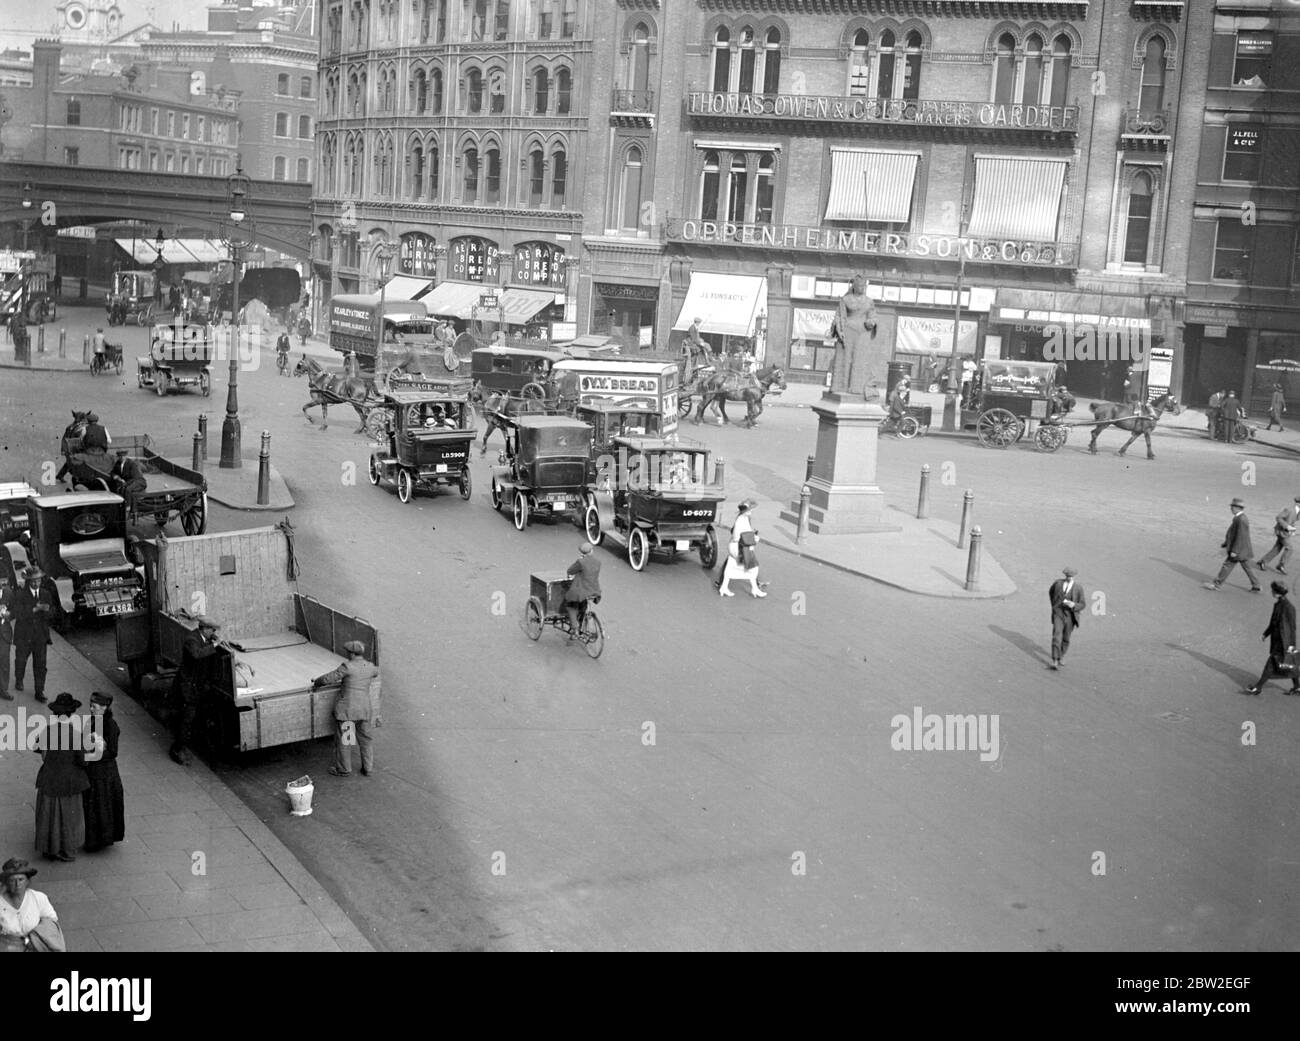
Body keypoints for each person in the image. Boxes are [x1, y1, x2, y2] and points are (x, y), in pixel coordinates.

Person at [33, 693, 90, 862]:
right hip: (69, 781)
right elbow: (83, 761)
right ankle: (66, 850)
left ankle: (49, 847)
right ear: (72, 713)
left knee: (48, 815)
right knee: (69, 818)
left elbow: (36, 747)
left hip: (49, 778)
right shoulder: (76, 734)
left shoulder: (47, 730)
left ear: (55, 714)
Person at [313, 640, 380, 777]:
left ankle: (344, 769)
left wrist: (316, 682)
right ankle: (367, 768)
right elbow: (375, 673)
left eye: (348, 653)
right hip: (365, 710)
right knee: (365, 740)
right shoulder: (370, 667)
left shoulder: (347, 667)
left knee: (346, 741)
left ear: (352, 654)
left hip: (348, 712)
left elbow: (328, 679)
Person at [169, 616, 223, 766]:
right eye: (212, 630)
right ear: (204, 628)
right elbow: (196, 654)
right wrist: (215, 645)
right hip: (188, 687)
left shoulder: (204, 639)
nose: (213, 633)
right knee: (187, 718)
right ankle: (178, 749)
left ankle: (186, 744)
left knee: (195, 716)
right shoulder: (192, 639)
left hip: (198, 685)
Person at [82, 692, 125, 852]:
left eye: (94, 706)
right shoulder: (93, 720)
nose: (91, 709)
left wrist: (91, 755)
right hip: (94, 770)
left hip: (104, 773)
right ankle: (95, 839)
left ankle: (98, 841)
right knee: (96, 805)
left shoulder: (110, 725)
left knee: (100, 806)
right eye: (91, 706)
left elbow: (113, 752)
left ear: (104, 707)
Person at [10, 566, 59, 704]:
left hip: (40, 636)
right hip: (24, 635)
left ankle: (39, 691)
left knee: (40, 664)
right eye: (33, 581)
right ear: (28, 581)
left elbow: (53, 613)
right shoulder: (20, 594)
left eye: (38, 580)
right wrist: (34, 609)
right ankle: (19, 679)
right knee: (21, 660)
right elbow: (16, 613)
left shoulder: (46, 594)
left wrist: (47, 611)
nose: (36, 583)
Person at [1246, 581, 1300, 695]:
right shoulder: (1279, 605)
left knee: (1271, 664)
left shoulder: (1289, 608)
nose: (1271, 592)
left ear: (1278, 593)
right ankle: (1297, 686)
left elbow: (1291, 628)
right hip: (1281, 641)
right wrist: (1265, 634)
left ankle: (1258, 687)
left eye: (1273, 591)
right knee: (1291, 664)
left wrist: (1289, 645)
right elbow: (1273, 623)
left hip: (1284, 642)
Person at [0, 858, 62, 952]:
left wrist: (33, 939)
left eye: (21, 879)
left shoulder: (38, 898)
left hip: (36, 947)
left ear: (27, 881)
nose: (17, 884)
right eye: (12, 880)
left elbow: (52, 921)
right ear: (6, 883)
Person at [832, 275, 877, 395]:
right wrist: (839, 329)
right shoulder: (845, 300)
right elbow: (839, 316)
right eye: (859, 286)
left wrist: (871, 322)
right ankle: (841, 386)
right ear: (854, 287)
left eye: (864, 286)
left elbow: (872, 316)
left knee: (859, 360)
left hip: (862, 334)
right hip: (847, 331)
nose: (862, 288)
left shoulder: (869, 301)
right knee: (845, 360)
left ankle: (856, 388)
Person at [1208, 498, 1262, 593]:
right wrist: (1226, 543)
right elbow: (1234, 533)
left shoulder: (1240, 519)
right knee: (1247, 567)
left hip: (1238, 551)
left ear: (1237, 508)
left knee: (1227, 566)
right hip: (1244, 550)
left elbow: (1240, 536)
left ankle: (1216, 584)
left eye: (1232, 507)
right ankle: (1256, 585)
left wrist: (1234, 551)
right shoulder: (1240, 518)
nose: (1231, 509)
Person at [717, 499, 767, 598]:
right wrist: (753, 538)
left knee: (730, 566)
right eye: (750, 510)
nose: (751, 511)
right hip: (739, 547)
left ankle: (723, 587)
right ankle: (755, 589)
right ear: (745, 511)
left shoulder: (744, 518)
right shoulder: (740, 520)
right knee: (753, 567)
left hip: (738, 546)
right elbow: (736, 537)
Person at [1048, 566, 1085, 669]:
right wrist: (1054, 606)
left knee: (1066, 638)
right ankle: (1055, 659)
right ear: (1065, 575)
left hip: (1070, 616)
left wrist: (1073, 605)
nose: (1069, 578)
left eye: (1071, 577)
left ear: (1074, 577)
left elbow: (1082, 604)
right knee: (1056, 636)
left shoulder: (1078, 588)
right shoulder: (1058, 584)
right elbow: (1051, 593)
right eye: (1068, 576)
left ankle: (1061, 655)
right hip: (1058, 613)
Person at [564, 541, 602, 636]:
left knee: (571, 606)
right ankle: (581, 621)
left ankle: (575, 628)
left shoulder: (581, 562)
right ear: (591, 551)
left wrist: (580, 561)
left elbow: (570, 571)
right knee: (583, 605)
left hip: (582, 590)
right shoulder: (598, 562)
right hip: (594, 590)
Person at [1259, 496, 1300, 575]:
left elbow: (1291, 521)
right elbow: (1278, 517)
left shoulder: (1298, 511)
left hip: (1285, 532)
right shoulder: (1289, 510)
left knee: (1277, 548)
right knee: (1290, 548)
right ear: (1298, 503)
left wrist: (1292, 529)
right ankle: (1281, 565)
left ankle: (1263, 561)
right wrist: (1287, 526)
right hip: (1281, 532)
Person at [0, 582, 13, 701]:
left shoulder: (8, 592)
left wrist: (9, 615)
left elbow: (15, 609)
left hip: (4, 633)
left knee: (4, 662)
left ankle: (3, 689)